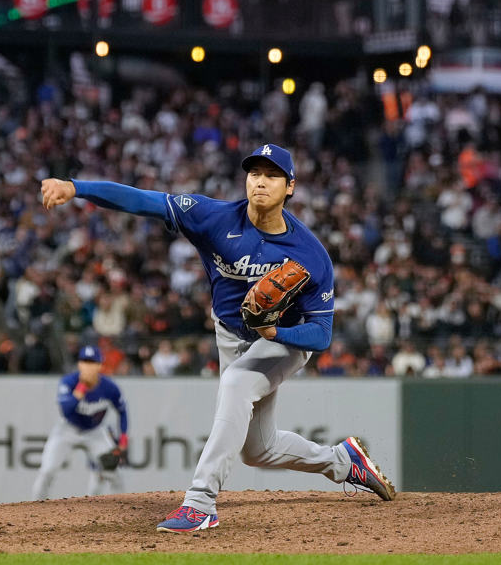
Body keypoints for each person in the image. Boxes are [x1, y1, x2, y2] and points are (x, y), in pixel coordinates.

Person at [40, 143, 395, 534]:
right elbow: (144, 200)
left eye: (272, 175)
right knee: (258, 450)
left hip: (283, 340)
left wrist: (275, 332)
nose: (261, 182)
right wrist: (76, 188)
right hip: (229, 333)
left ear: (290, 187)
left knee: (236, 384)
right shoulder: (212, 216)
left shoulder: (309, 253)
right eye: (255, 173)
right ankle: (344, 462)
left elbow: (322, 334)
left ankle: (200, 503)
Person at [31, 344, 130, 500]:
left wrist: (123, 437)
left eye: (92, 362)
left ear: (100, 365)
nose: (88, 366)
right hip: (67, 429)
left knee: (113, 473)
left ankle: (121, 512)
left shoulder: (109, 387)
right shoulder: (69, 382)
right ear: (79, 364)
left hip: (95, 431)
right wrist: (81, 389)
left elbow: (122, 411)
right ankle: (35, 510)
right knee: (47, 471)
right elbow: (66, 409)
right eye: (85, 361)